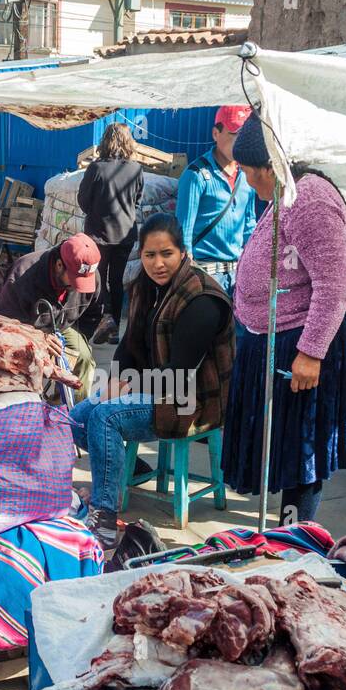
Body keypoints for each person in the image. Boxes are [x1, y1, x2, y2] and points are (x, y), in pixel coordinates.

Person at [221, 112, 346, 527]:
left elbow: (333, 283)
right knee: (290, 447)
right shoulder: (287, 194)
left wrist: (311, 353)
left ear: (272, 166)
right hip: (284, 335)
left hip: (313, 342)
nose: (247, 179)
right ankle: (288, 530)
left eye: (251, 171)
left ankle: (293, 538)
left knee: (302, 449)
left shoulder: (308, 201)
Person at [70, 214, 233, 548]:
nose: (158, 264)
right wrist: (115, 380)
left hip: (194, 400)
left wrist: (126, 387)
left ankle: (103, 517)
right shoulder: (146, 288)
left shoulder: (202, 299)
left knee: (106, 416)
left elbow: (178, 375)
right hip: (157, 387)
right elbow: (129, 346)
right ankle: (124, 467)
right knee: (72, 418)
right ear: (141, 255)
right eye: (150, 255)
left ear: (183, 253)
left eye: (167, 254)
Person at [0, 232, 100, 396]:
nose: (77, 286)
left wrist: (67, 352)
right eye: (74, 279)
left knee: (82, 356)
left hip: (59, 326)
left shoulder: (88, 274)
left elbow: (92, 316)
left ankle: (72, 414)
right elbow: (4, 325)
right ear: (59, 265)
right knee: (25, 368)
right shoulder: (23, 274)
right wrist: (38, 340)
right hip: (17, 329)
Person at [175, 105, 258, 296]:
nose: (240, 141)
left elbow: (249, 226)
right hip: (205, 275)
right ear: (215, 133)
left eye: (244, 135)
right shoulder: (196, 175)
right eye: (234, 134)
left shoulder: (247, 176)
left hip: (238, 276)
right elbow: (183, 233)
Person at [78, 122, 144, 345]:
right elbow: (138, 200)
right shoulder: (136, 169)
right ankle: (114, 327)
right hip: (125, 234)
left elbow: (83, 201)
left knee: (96, 279)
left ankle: (102, 321)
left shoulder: (96, 168)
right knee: (116, 281)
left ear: (104, 141)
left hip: (99, 234)